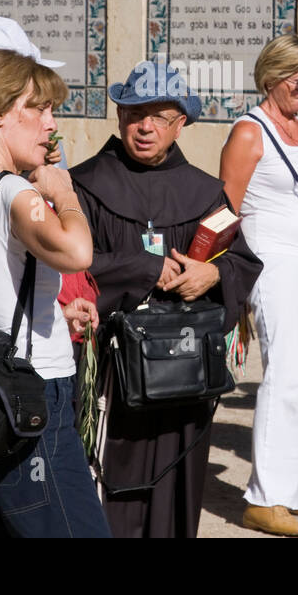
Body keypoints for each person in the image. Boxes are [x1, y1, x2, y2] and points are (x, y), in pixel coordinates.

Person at [71, 61, 262, 538]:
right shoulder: (84, 185)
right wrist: (144, 268)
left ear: (181, 125)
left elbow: (243, 263)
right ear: (118, 116)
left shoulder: (204, 192)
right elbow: (71, 266)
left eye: (160, 116)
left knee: (179, 480)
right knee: (110, 472)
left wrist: (212, 273)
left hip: (184, 366)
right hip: (115, 365)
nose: (145, 126)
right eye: (136, 112)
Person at [0, 48, 108, 537]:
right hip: (30, 390)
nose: (50, 124)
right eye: (37, 108)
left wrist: (53, 308)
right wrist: (65, 193)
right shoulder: (18, 193)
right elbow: (77, 254)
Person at [220, 33, 298, 536]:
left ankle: (287, 487)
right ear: (272, 78)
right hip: (271, 264)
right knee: (283, 376)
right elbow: (226, 208)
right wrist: (232, 278)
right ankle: (263, 498)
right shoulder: (249, 132)